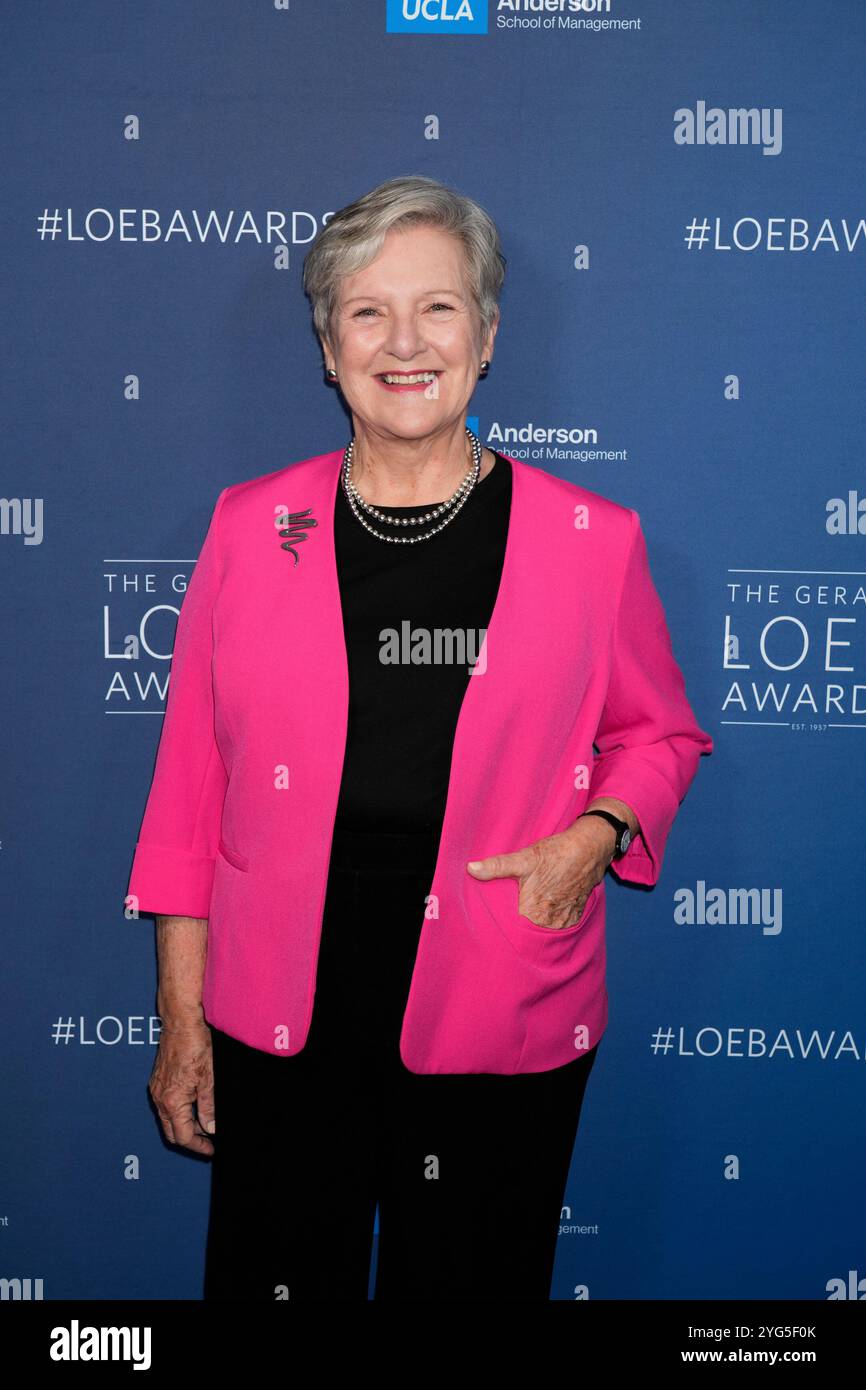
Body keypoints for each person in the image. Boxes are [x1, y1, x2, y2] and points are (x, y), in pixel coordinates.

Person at [126, 174, 713, 1301]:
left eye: (437, 308)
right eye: (367, 311)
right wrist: (181, 1012)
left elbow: (659, 735)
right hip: (283, 993)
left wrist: (593, 836)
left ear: (485, 338)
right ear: (328, 346)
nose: (404, 342)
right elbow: (187, 796)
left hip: (499, 979)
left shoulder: (592, 541)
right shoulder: (251, 529)